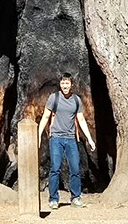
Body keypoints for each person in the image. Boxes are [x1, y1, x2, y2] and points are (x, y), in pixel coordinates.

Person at [38, 72, 96, 210]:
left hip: (70, 139)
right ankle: (53, 199)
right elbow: (45, 117)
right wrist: (38, 135)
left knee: (75, 168)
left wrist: (89, 138)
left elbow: (80, 119)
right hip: (56, 138)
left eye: (67, 83)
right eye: (63, 83)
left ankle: (75, 198)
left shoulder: (76, 100)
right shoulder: (54, 98)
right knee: (55, 168)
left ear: (72, 85)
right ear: (60, 84)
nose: (65, 85)